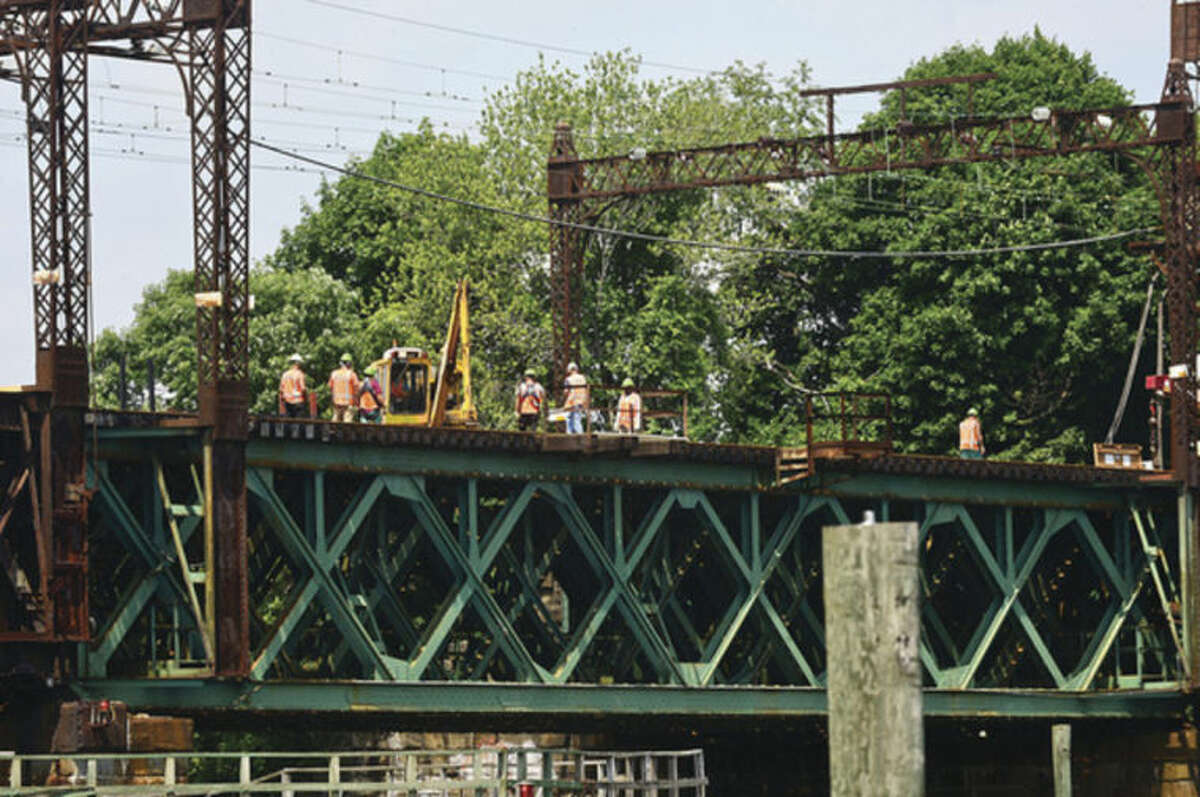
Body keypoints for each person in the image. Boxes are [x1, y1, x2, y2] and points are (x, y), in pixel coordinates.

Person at [328, 353, 360, 423]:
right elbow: (357, 389)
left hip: (336, 402)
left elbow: (330, 387)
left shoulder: (334, 374)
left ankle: (332, 433)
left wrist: (332, 399)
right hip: (348, 403)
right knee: (347, 423)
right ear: (349, 363)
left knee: (335, 422)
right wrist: (357, 402)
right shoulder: (352, 374)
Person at [278, 354, 309, 418]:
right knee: (299, 424)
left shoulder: (285, 374)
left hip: (287, 402)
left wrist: (282, 400)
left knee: (289, 423)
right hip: (298, 401)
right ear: (298, 363)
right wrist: (306, 398)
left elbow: (281, 389)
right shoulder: (300, 374)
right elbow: (303, 389)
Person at [561, 361, 588, 434]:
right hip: (581, 400)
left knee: (569, 419)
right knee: (577, 419)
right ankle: (580, 435)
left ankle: (571, 436)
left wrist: (564, 394)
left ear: (570, 370)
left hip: (572, 401)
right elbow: (586, 390)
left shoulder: (569, 379)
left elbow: (566, 391)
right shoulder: (583, 378)